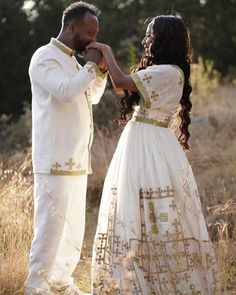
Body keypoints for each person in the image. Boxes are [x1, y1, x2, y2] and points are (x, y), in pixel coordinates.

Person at [88, 15, 221, 294]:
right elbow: (124, 84)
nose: (145, 39)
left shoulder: (166, 72)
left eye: (149, 34)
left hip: (147, 141)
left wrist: (107, 51)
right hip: (153, 139)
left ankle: (146, 276)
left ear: (162, 39)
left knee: (145, 201)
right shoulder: (172, 71)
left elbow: (121, 82)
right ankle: (139, 270)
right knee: (142, 203)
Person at [24, 2, 107, 294]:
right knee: (50, 228)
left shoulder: (74, 61)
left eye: (96, 32)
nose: (93, 38)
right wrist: (90, 66)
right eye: (89, 32)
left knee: (72, 228)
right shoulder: (44, 57)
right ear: (72, 28)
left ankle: (60, 283)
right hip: (54, 159)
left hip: (77, 159)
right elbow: (66, 91)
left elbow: (91, 96)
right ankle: (37, 287)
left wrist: (101, 72)